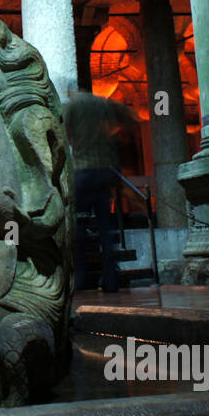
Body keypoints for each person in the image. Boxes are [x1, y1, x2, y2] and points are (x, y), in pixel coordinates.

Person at [62, 88, 138, 293]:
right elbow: (128, 116)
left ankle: (80, 277)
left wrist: (76, 142)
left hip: (83, 170)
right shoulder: (101, 103)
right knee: (106, 228)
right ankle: (111, 279)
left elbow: (65, 133)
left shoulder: (72, 106)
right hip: (104, 170)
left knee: (78, 227)